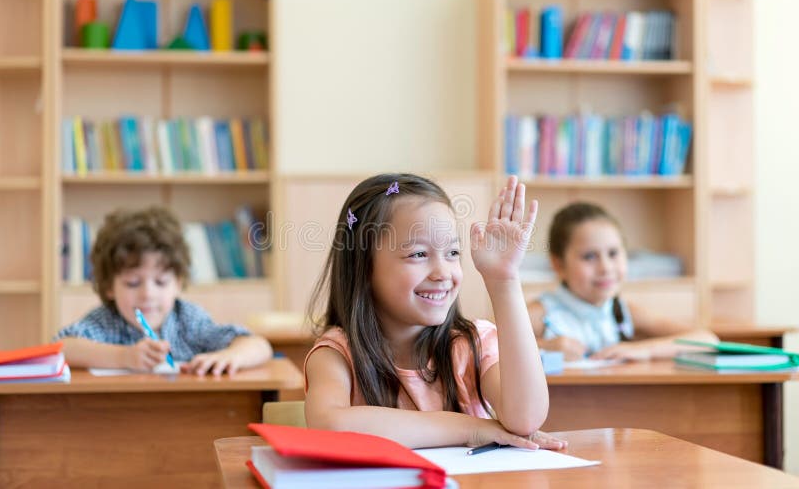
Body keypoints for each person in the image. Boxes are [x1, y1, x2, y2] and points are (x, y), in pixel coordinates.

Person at [303, 173, 565, 451]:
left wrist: (504, 281)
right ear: (364, 267)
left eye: (452, 253)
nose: (443, 273)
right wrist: (472, 427)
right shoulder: (337, 354)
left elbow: (526, 419)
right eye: (418, 254)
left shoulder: (472, 344)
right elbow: (329, 426)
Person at [55, 206, 272, 375]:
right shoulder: (105, 322)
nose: (147, 294)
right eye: (132, 283)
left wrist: (230, 357)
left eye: (160, 282)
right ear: (109, 286)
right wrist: (124, 357)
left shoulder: (187, 320)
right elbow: (60, 348)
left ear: (178, 283)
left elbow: (259, 345)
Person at [528, 202, 717, 361]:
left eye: (613, 253)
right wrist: (545, 347)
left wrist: (645, 349)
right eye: (589, 256)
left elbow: (707, 340)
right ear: (558, 265)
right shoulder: (542, 314)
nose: (605, 268)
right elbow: (506, 350)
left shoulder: (625, 312)